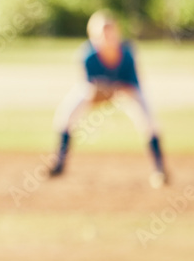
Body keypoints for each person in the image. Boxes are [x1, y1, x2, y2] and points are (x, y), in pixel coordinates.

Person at [48, 10, 168, 187]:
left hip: (126, 91)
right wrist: (105, 92)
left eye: (110, 30)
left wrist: (111, 90)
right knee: (66, 115)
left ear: (117, 32)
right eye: (102, 31)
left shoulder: (126, 54)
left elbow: (132, 87)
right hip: (98, 93)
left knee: (149, 121)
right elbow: (90, 90)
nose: (106, 35)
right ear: (92, 35)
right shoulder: (88, 55)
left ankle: (159, 168)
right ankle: (59, 162)